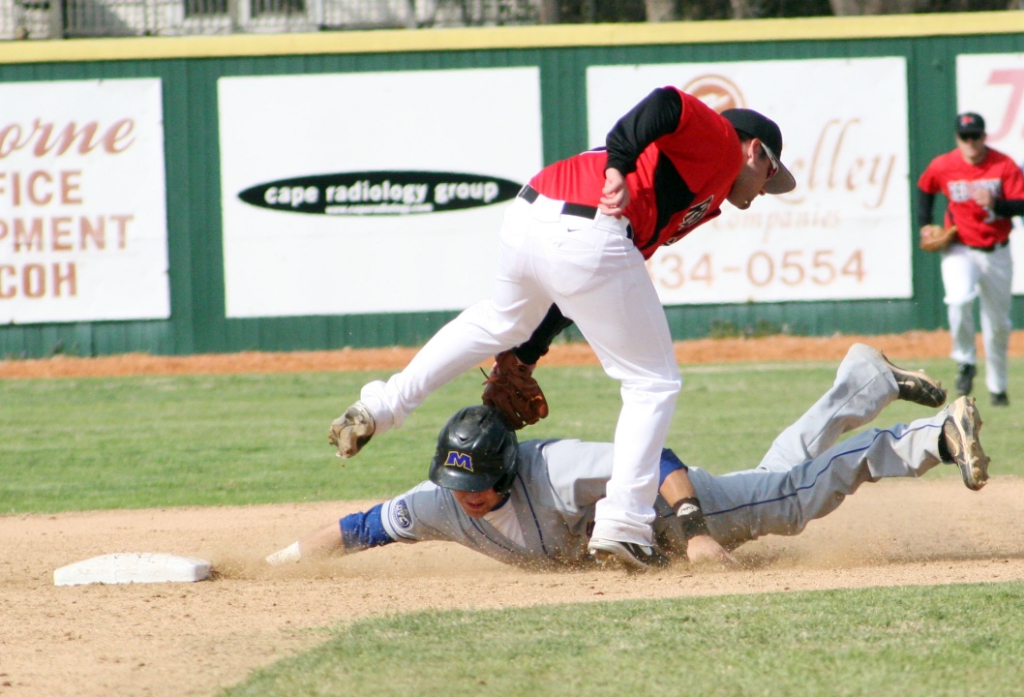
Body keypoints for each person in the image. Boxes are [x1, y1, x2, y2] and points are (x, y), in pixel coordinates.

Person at [328, 87, 797, 569]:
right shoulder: (721, 141)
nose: (765, 188)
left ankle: (381, 405)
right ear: (754, 149)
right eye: (769, 173)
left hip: (533, 212)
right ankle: (625, 522)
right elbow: (666, 103)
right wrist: (619, 162)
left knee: (501, 320)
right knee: (652, 382)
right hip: (591, 222)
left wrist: (527, 353)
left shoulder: (701, 192)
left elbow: (576, 287)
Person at [272, 345, 989, 572]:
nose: (466, 498)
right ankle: (861, 381)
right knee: (774, 477)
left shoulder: (550, 468)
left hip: (670, 509)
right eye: (457, 486)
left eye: (478, 487)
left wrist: (697, 528)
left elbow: (656, 453)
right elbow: (360, 527)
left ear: (504, 473)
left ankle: (929, 440)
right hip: (654, 531)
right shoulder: (440, 501)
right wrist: (274, 570)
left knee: (791, 503)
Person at [918, 111, 1024, 407]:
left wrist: (997, 203)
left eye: (975, 136)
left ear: (984, 136)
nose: (970, 142)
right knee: (959, 299)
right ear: (957, 138)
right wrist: (924, 223)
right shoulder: (944, 165)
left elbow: (1021, 204)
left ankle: (998, 388)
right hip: (959, 248)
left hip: (996, 251)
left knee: (998, 324)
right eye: (965, 137)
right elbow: (925, 188)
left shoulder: (1003, 165)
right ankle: (965, 361)